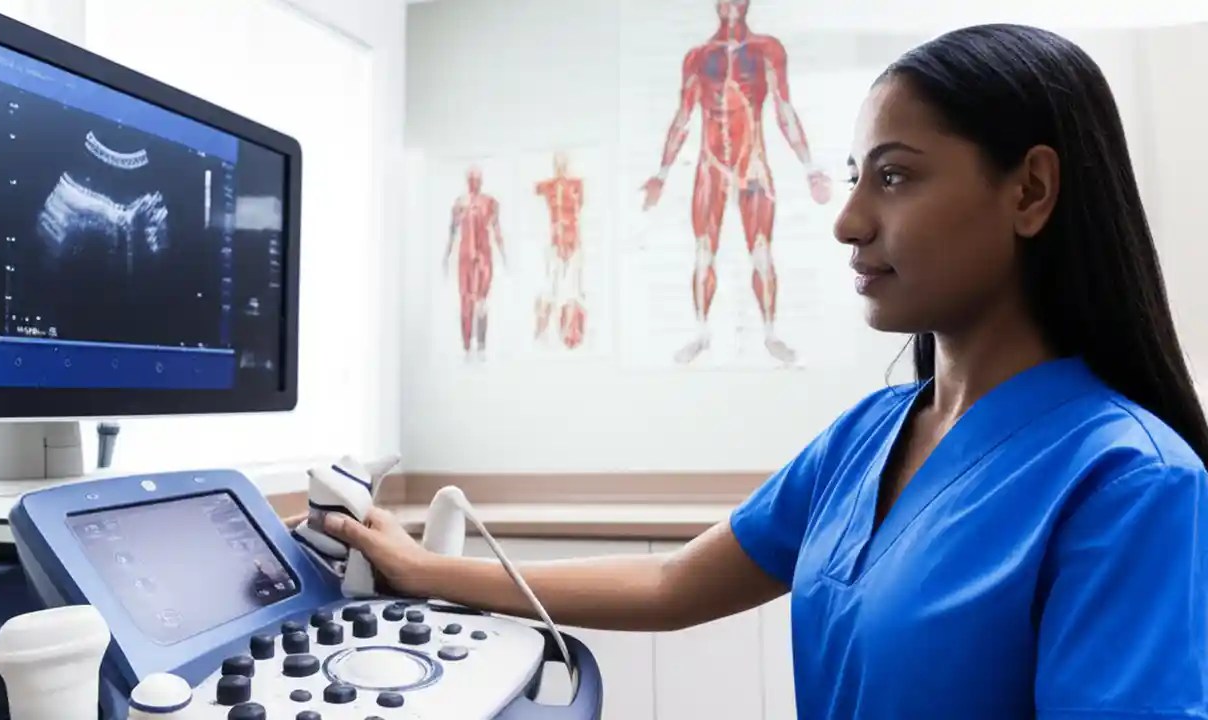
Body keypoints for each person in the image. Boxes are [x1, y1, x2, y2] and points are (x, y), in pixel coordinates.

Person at [327, 24, 1208, 719]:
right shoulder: (871, 434)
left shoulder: (1130, 483)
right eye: (856, 176)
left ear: (1030, 191)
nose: (848, 222)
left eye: (895, 178)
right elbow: (674, 584)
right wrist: (424, 571)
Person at [640, 0, 833, 366]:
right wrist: (661, 175)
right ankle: (701, 332)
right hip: (710, 165)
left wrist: (809, 167)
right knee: (702, 253)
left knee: (761, 252)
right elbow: (683, 117)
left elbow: (783, 109)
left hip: (752, 163)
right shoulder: (698, 56)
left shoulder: (766, 49)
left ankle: (770, 334)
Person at [443, 166, 506, 361]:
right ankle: (466, 345)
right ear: (467, 180)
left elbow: (497, 230)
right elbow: (452, 232)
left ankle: (481, 346)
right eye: (471, 178)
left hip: (483, 255)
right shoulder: (459, 203)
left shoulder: (490, 202)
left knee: (481, 301)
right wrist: (446, 255)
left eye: (477, 178)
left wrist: (504, 255)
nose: (474, 181)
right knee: (465, 301)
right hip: (465, 257)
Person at [533, 151, 587, 349]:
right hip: (558, 242)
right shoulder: (555, 185)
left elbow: (578, 207)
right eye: (559, 164)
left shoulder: (574, 185)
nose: (561, 168)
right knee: (551, 288)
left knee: (571, 290)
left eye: (562, 164)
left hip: (571, 242)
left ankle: (568, 334)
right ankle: (541, 333)